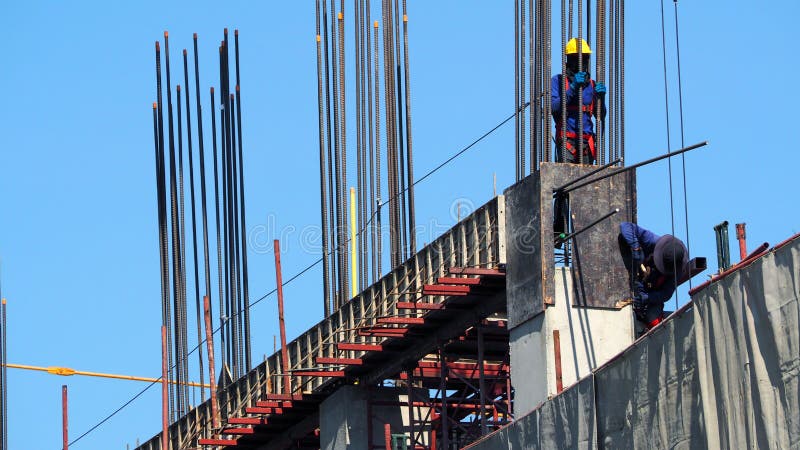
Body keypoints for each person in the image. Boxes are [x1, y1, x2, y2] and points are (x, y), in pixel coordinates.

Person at [619, 221, 689, 328]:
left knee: (655, 324)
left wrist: (648, 297)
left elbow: (666, 294)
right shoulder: (652, 240)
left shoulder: (677, 270)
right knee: (623, 238)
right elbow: (625, 226)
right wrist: (635, 248)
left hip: (651, 292)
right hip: (636, 268)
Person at [551, 38, 606, 165]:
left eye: (585, 58)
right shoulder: (558, 81)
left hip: (587, 144)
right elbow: (553, 107)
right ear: (570, 60)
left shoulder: (592, 85)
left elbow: (601, 116)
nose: (582, 62)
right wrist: (573, 88)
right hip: (567, 141)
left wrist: (601, 99)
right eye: (577, 58)